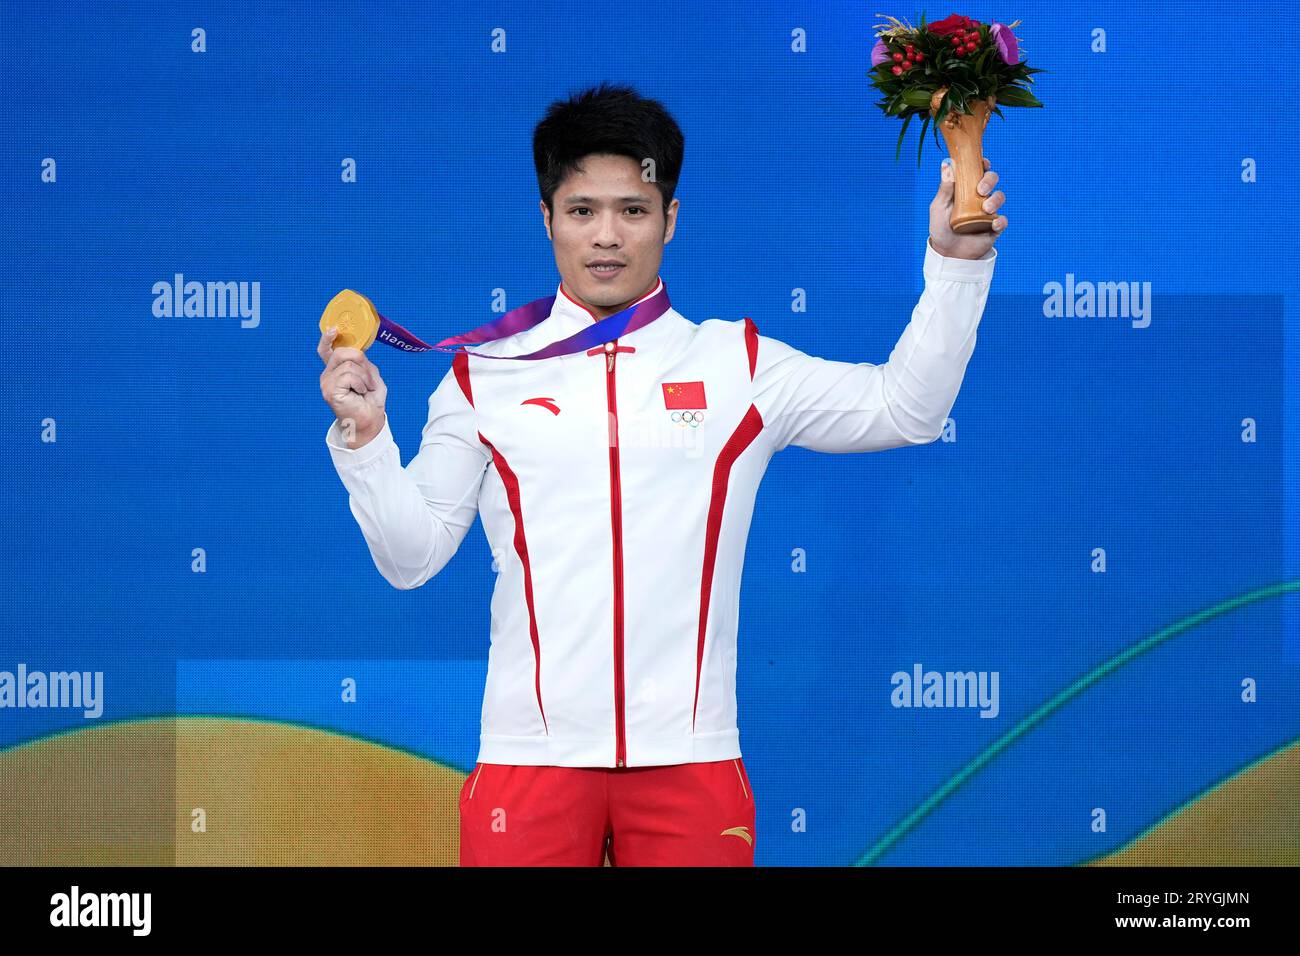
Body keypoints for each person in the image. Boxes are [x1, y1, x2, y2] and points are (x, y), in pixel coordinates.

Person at [317, 81, 1006, 866]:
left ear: (671, 220)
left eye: (634, 210)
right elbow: (410, 560)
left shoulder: (735, 363)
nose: (607, 236)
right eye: (582, 211)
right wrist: (368, 439)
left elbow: (905, 408)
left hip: (691, 763)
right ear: (547, 220)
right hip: (529, 764)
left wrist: (956, 264)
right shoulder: (484, 375)